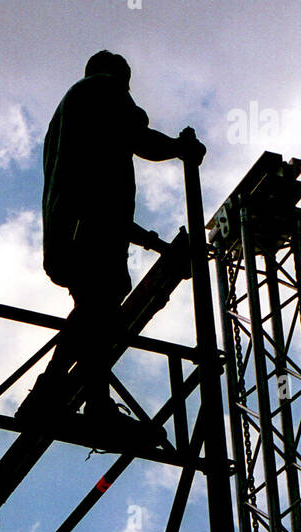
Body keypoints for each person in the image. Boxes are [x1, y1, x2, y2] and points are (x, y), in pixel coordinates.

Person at [19, 51, 205, 444]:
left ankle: (54, 394)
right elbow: (140, 141)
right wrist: (180, 148)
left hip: (69, 233)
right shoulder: (105, 90)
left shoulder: (66, 118)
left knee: (93, 308)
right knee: (99, 306)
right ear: (122, 79)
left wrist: (149, 241)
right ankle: (81, 402)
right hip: (90, 232)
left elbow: (97, 193)